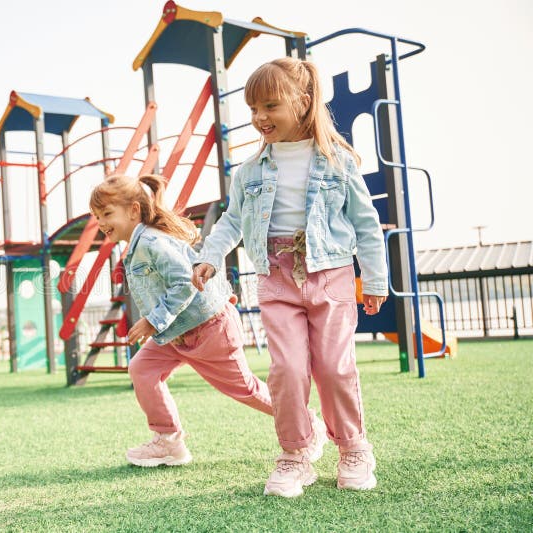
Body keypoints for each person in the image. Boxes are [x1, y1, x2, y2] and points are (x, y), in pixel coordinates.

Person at [192, 57, 388, 497]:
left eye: (270, 106)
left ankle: (354, 447)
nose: (260, 118)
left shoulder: (338, 162)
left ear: (303, 102)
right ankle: (296, 453)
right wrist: (210, 255)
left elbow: (366, 225)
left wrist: (374, 280)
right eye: (253, 109)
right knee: (287, 370)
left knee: (335, 368)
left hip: (330, 273)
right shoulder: (250, 171)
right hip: (276, 277)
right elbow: (232, 221)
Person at [89, 174, 327, 468]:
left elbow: (187, 283)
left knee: (247, 390)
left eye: (107, 214)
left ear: (134, 210)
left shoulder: (151, 242)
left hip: (210, 328)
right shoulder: (140, 243)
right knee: (142, 368)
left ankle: (307, 424)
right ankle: (168, 441)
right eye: (97, 216)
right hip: (178, 333)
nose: (101, 222)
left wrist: (152, 321)